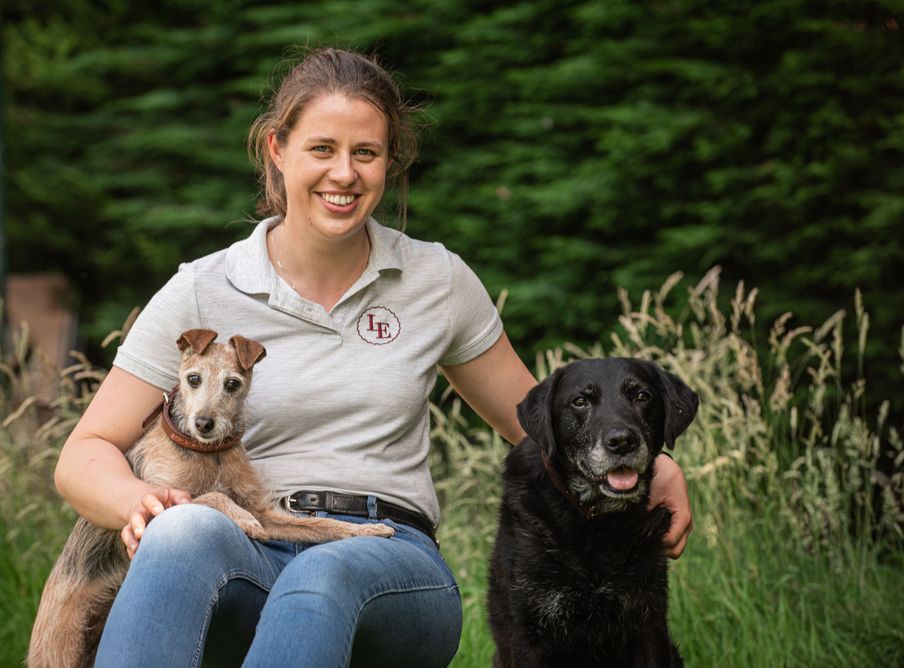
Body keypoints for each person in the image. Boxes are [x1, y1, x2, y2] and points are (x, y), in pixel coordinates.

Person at [53, 47, 693, 667]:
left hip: (395, 561)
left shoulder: (435, 279)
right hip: (256, 542)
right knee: (181, 534)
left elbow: (539, 427)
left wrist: (653, 466)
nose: (344, 174)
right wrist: (139, 504)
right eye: (322, 149)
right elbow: (85, 455)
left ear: (391, 162)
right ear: (278, 150)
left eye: (366, 153)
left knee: (326, 572)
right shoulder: (204, 286)